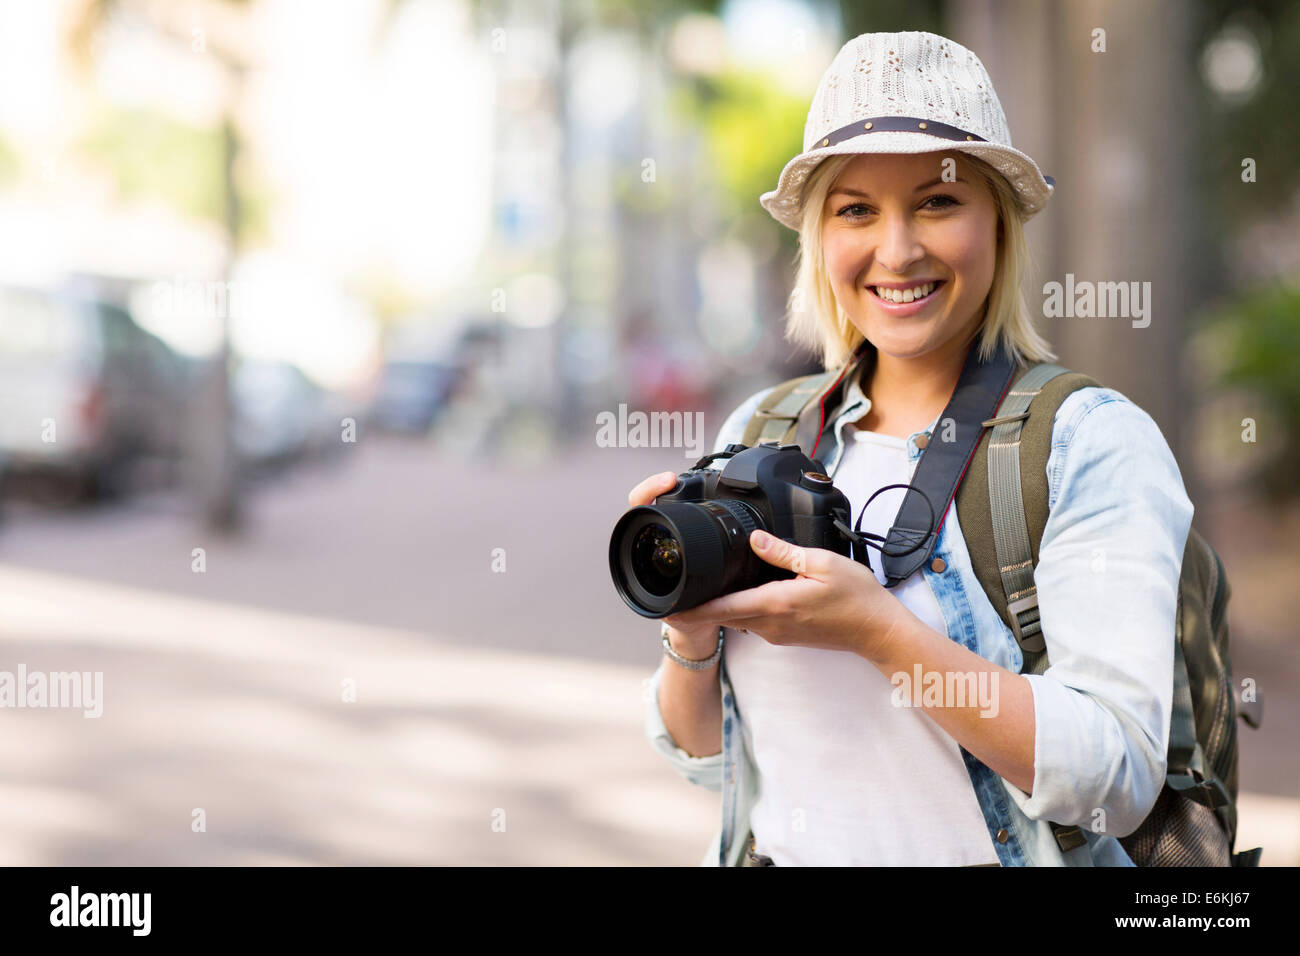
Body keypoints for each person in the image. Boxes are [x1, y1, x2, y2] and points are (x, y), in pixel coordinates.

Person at [633, 31, 1194, 866]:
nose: (896, 251)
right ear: (819, 239)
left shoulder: (1087, 442)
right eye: (855, 209)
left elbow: (1116, 774)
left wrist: (880, 633)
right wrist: (686, 623)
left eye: (936, 202)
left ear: (998, 225)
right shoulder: (761, 431)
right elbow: (705, 761)